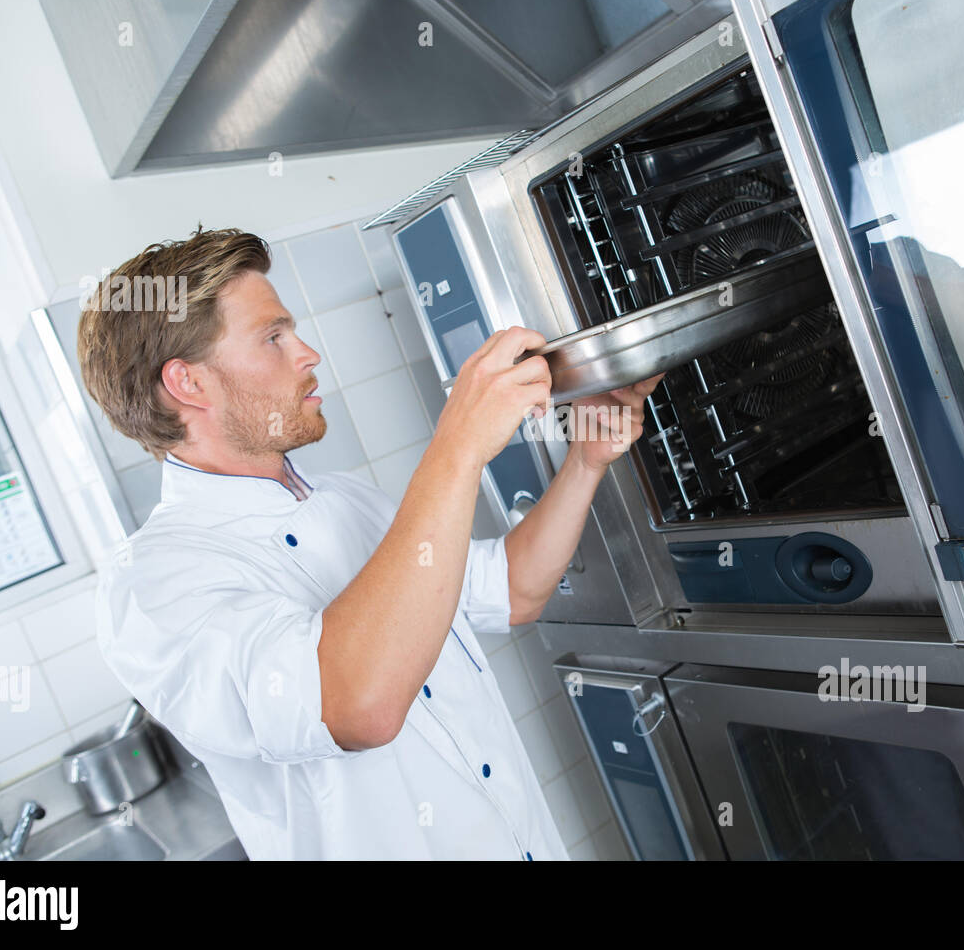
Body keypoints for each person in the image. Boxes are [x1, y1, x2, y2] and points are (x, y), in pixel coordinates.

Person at [76, 226, 663, 859]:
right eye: (273, 337)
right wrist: (457, 446)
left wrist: (586, 460)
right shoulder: (151, 584)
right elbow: (355, 705)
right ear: (189, 384)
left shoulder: (347, 500)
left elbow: (514, 589)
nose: (307, 354)